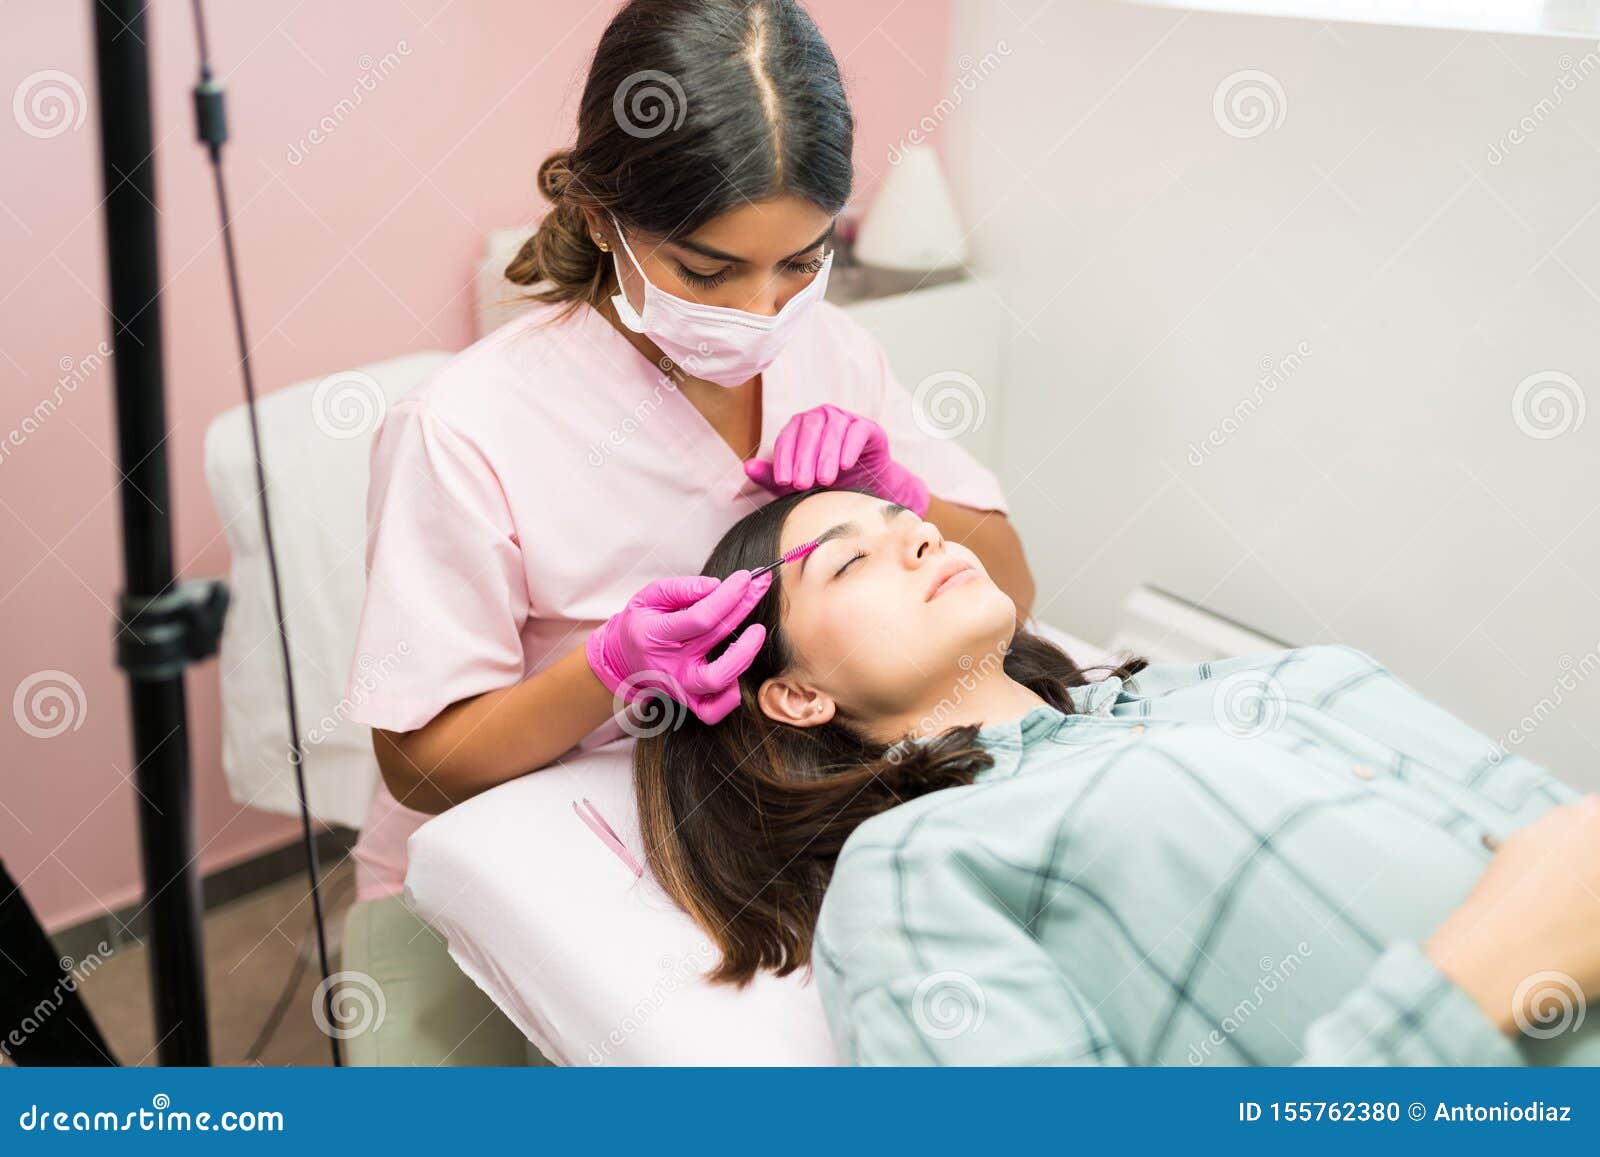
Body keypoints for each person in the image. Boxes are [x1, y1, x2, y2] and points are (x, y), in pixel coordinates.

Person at [338, 0, 1033, 1065]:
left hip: (766, 811)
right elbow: (422, 766)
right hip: (510, 844)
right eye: (710, 272)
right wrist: (604, 670)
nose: (761, 312)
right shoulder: (463, 430)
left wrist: (899, 493)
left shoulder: (835, 353)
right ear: (598, 211)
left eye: (801, 262)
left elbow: (1010, 592)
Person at [633, 486, 1600, 1066]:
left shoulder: (1251, 682)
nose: (922, 536)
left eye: (908, 519)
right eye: (851, 564)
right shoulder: (916, 866)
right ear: (796, 696)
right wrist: (1472, 987)